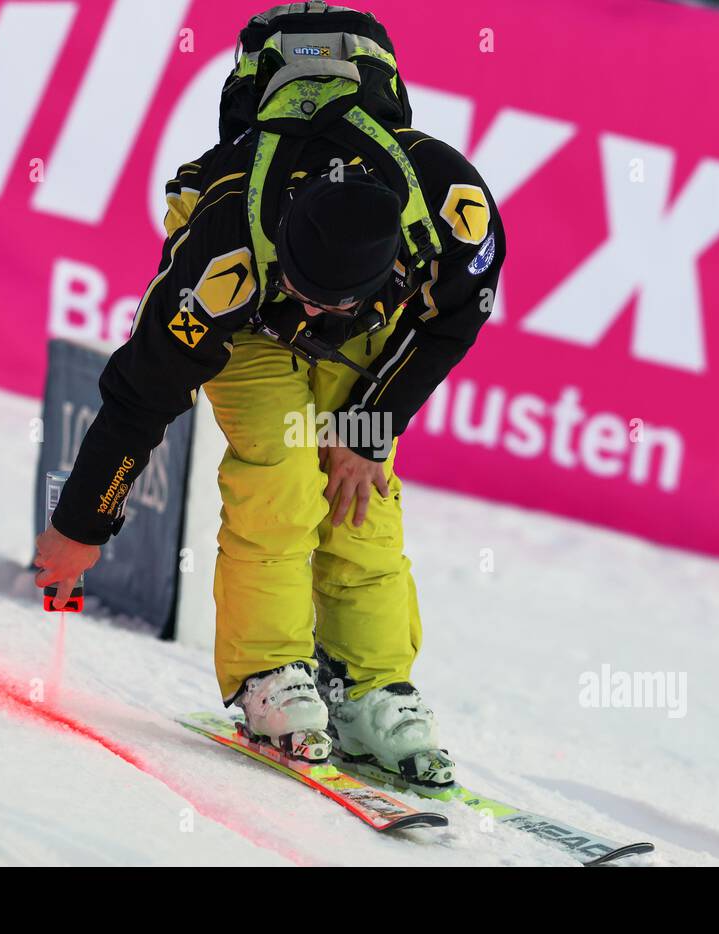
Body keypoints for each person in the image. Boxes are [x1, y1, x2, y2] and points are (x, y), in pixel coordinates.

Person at [34, 3, 504, 788]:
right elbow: (140, 396)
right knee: (282, 471)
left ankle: (371, 687)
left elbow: (453, 321)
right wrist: (82, 527)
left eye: (331, 304)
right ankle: (270, 676)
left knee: (363, 491)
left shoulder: (455, 215)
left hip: (368, 318)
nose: (312, 317)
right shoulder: (223, 254)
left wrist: (368, 426)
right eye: (305, 293)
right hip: (249, 324)